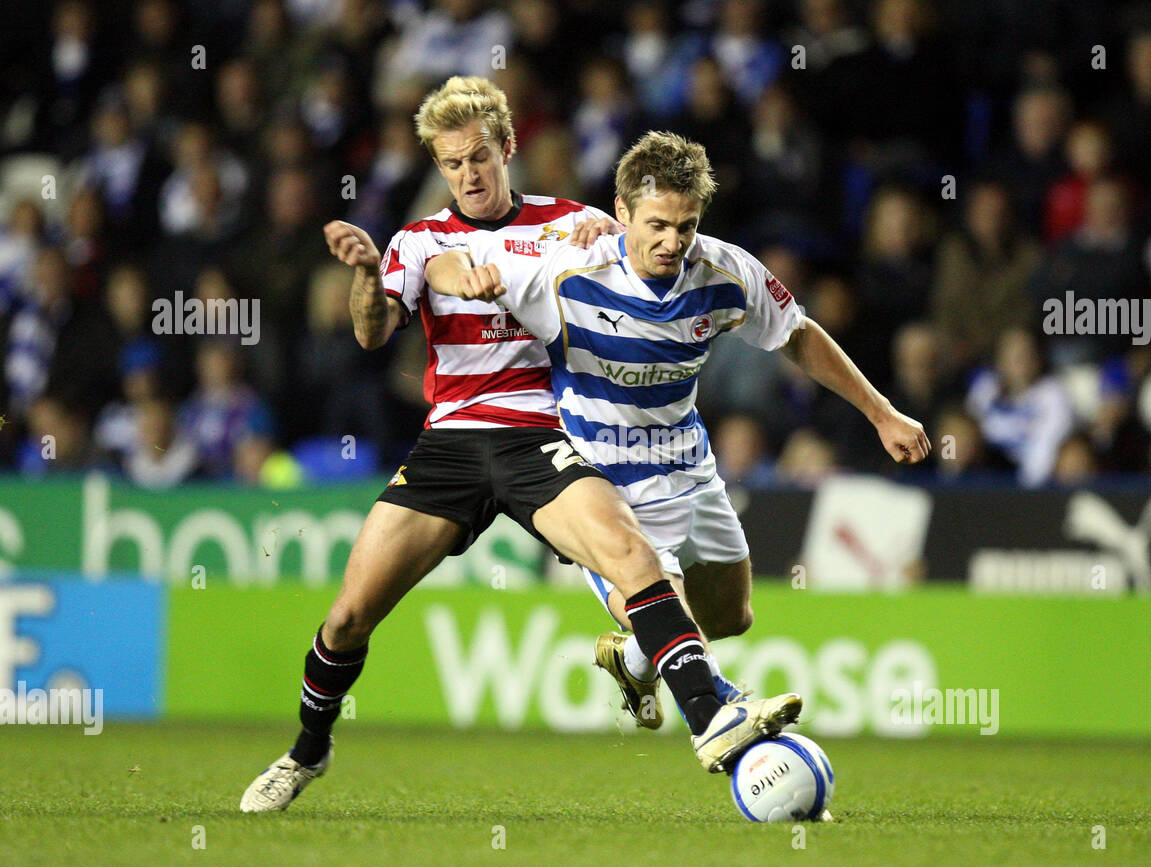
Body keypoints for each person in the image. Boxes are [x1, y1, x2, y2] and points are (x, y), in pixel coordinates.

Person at [240, 83, 800, 813]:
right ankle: (307, 751)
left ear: (507, 148)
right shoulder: (417, 241)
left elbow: (636, 273)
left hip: (545, 435)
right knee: (348, 616)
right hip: (452, 442)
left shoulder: (579, 223)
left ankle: (713, 716)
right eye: (451, 163)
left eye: (478, 156)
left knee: (634, 558)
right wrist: (364, 277)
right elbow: (372, 332)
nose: (468, 174)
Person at [424, 130, 930, 733]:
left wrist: (882, 413)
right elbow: (448, 256)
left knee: (732, 615)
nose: (672, 242)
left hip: (688, 466)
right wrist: (458, 278)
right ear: (621, 213)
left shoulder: (724, 272)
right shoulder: (564, 268)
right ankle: (722, 711)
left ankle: (634, 657)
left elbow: (797, 334)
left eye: (685, 226)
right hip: (597, 482)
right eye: (657, 224)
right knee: (664, 603)